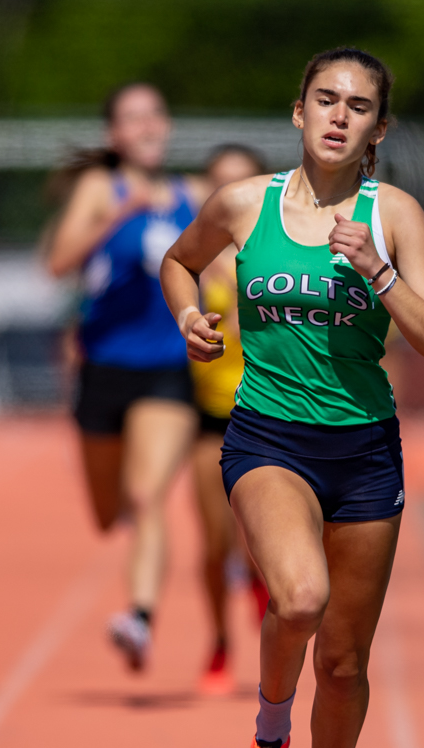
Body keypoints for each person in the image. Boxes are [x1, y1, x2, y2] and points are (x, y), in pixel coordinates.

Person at [161, 47, 424, 748]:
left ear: (378, 126)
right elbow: (179, 261)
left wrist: (380, 271)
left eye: (358, 105)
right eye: (324, 99)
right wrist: (189, 312)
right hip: (268, 440)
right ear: (297, 112)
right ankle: (267, 737)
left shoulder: (394, 216)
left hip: (365, 452)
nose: (338, 116)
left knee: (344, 663)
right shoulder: (242, 203)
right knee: (298, 597)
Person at [46, 83, 210, 670]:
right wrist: (122, 213)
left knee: (148, 498)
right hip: (103, 368)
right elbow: (59, 263)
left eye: (153, 115)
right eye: (131, 118)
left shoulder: (195, 195)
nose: (145, 126)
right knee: (105, 513)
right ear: (114, 134)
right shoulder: (100, 188)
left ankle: (139, 617)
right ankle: (138, 591)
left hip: (166, 370)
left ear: (165, 126)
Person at [190, 144, 270, 696]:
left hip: (265, 414)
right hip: (207, 415)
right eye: (219, 182)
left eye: (240, 181)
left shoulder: (276, 255)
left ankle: (264, 590)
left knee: (257, 542)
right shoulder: (190, 260)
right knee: (214, 542)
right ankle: (218, 640)